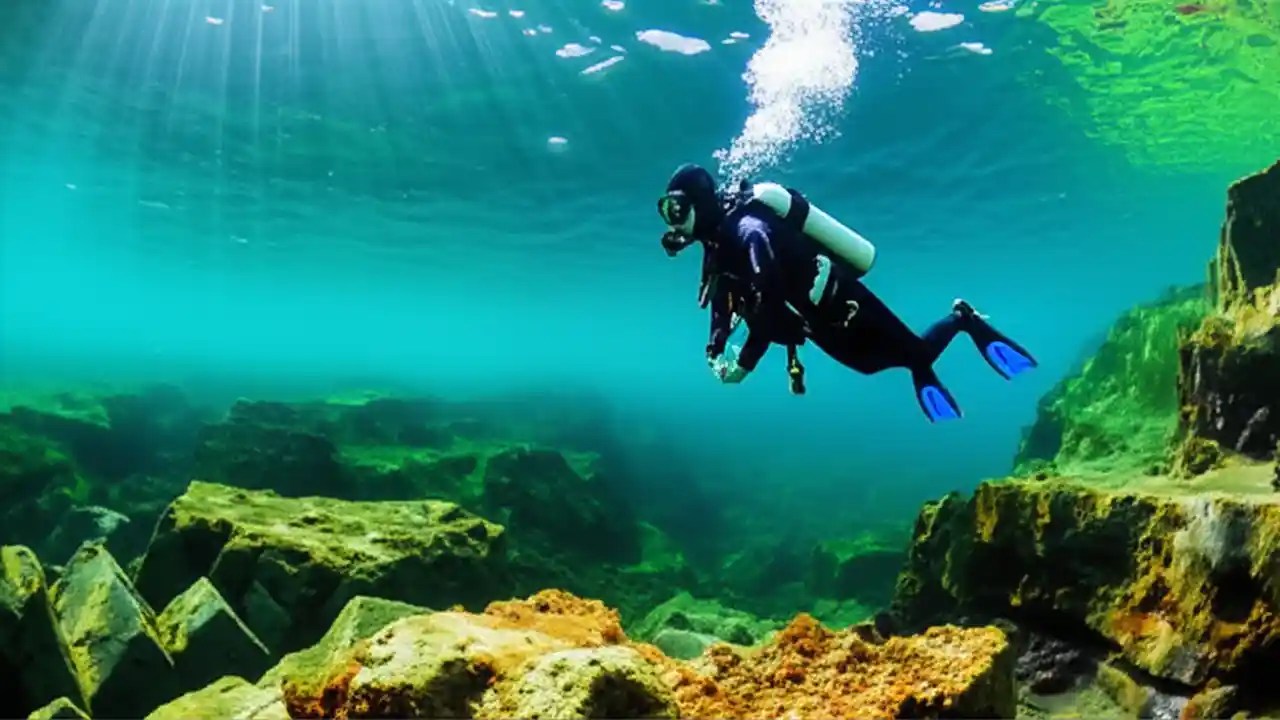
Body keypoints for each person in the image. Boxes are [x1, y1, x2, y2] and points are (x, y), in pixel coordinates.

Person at [656, 162, 1038, 422]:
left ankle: (962, 320)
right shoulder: (717, 245)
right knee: (870, 366)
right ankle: (921, 363)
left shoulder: (750, 230)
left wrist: (745, 364)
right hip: (818, 321)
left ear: (700, 204)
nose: (673, 220)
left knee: (917, 355)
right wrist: (715, 347)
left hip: (846, 303)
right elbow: (723, 297)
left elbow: (767, 299)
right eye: (667, 210)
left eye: (677, 208)